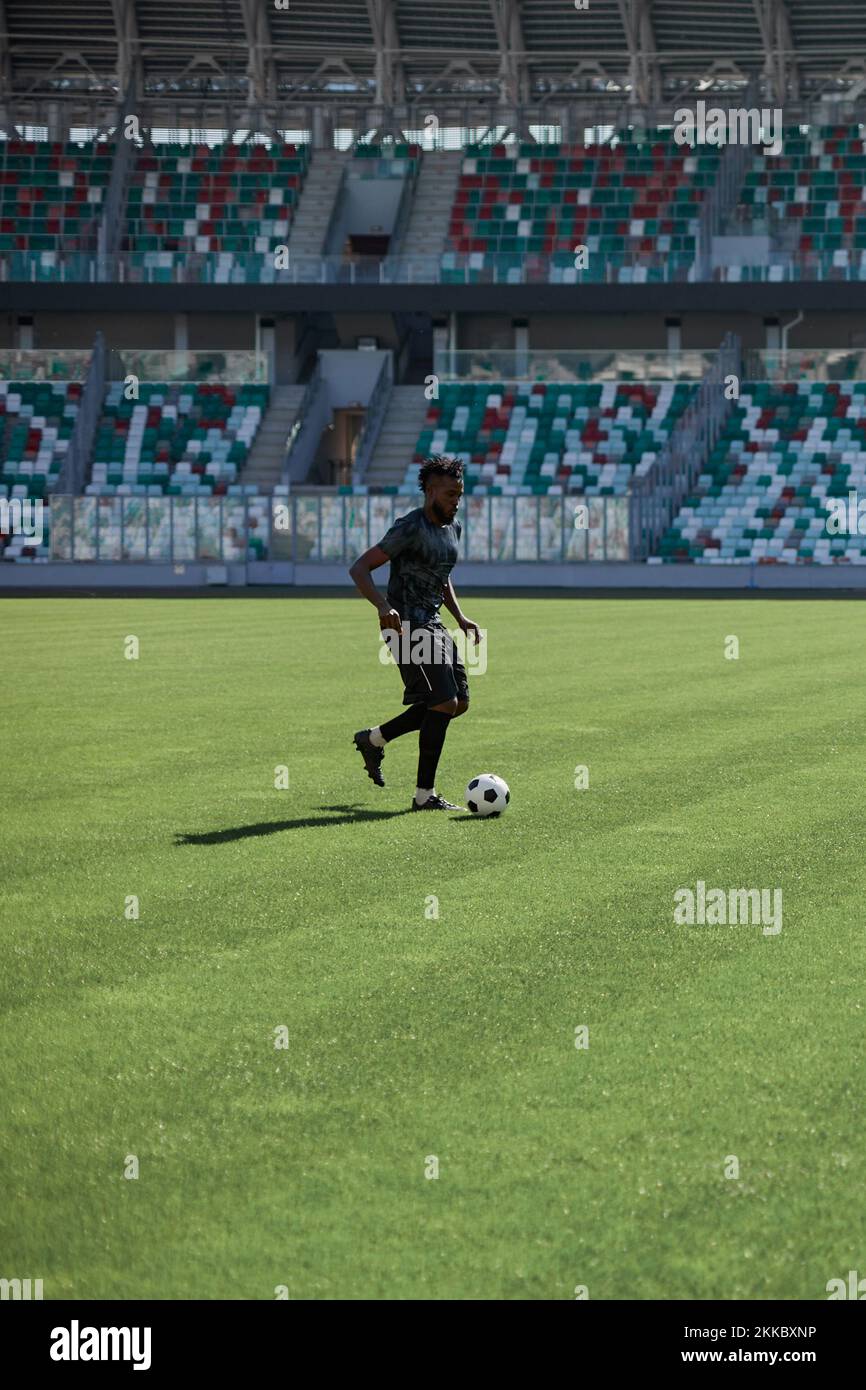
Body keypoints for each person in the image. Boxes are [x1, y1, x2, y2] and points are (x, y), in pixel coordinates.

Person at [348, 455, 480, 811]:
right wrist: (381, 605)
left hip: (434, 623)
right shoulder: (409, 527)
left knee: (458, 704)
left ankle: (374, 739)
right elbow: (360, 568)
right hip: (405, 625)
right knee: (443, 702)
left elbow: (442, 576)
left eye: (460, 494)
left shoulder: (454, 529)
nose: (456, 501)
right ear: (431, 491)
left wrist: (461, 618)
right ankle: (424, 796)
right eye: (451, 494)